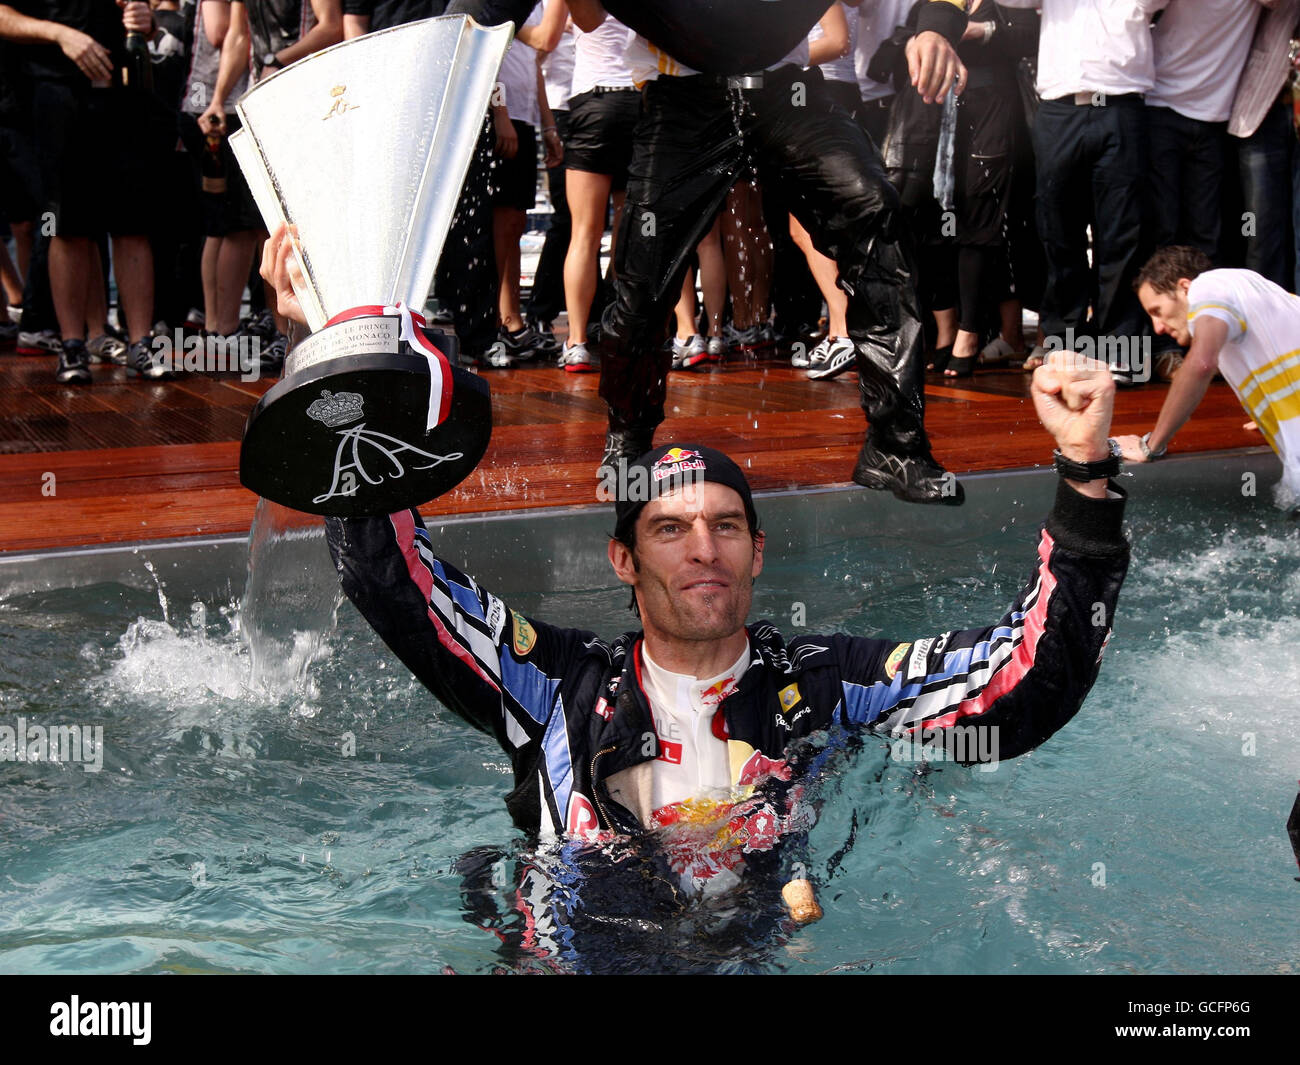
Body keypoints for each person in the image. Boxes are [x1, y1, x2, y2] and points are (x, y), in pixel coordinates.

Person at [265, 223, 1129, 959]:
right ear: (624, 560)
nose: (704, 549)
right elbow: (393, 579)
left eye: (725, 526)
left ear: (758, 552)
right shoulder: (554, 684)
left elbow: (1023, 684)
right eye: (670, 529)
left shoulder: (828, 685)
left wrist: (1085, 471)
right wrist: (334, 355)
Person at [1116, 245, 1300, 509]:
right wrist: (1273, 410)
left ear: (1184, 287)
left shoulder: (1207, 287)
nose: (1157, 328)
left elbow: (1201, 364)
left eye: (1157, 311)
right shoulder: (1259, 290)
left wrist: (1151, 445)